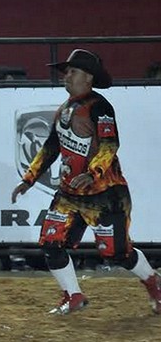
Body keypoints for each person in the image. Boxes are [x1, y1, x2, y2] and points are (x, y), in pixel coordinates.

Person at [11, 48, 161, 315]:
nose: (66, 77)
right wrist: (29, 179)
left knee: (117, 254)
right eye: (66, 72)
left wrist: (92, 174)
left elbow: (109, 145)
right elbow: (50, 148)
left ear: (88, 77)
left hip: (105, 194)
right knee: (50, 242)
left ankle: (153, 283)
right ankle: (74, 295)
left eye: (72, 72)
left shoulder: (100, 107)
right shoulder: (65, 109)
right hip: (70, 194)